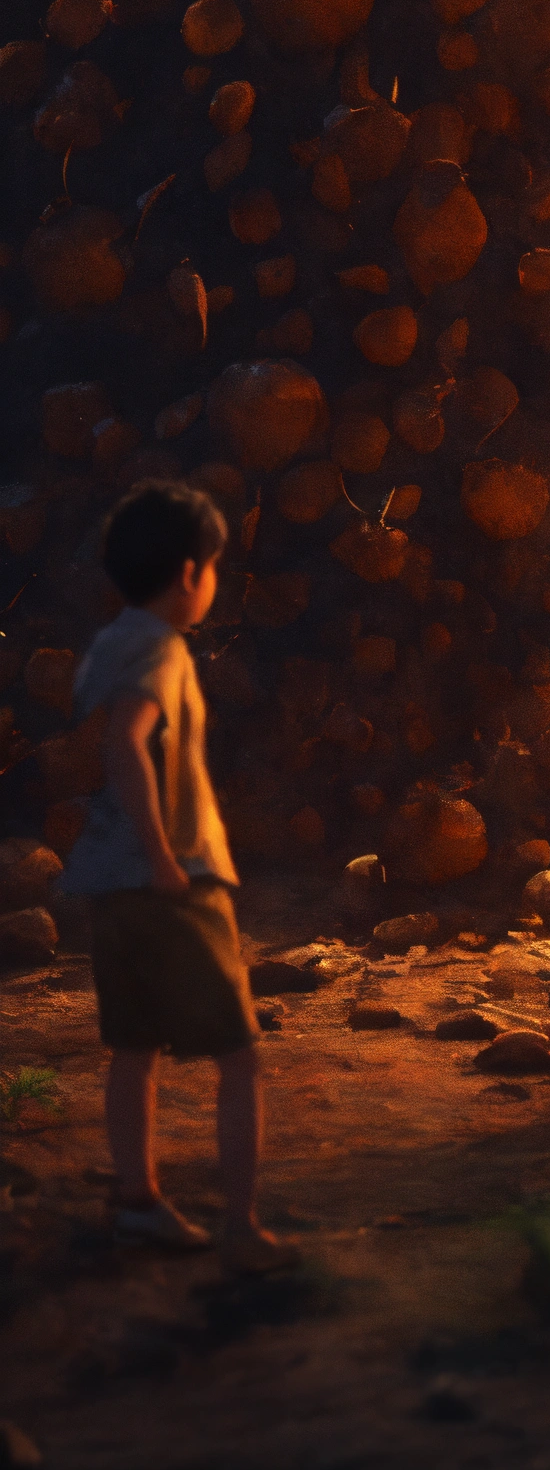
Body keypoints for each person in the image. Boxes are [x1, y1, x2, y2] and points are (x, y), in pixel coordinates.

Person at [62, 481, 293, 1270]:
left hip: (107, 881)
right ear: (191, 572)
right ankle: (243, 1229)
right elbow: (127, 741)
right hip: (174, 881)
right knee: (239, 1055)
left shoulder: (108, 643)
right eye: (214, 569)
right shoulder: (162, 649)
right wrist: (164, 856)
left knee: (134, 1048)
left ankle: (138, 1204)